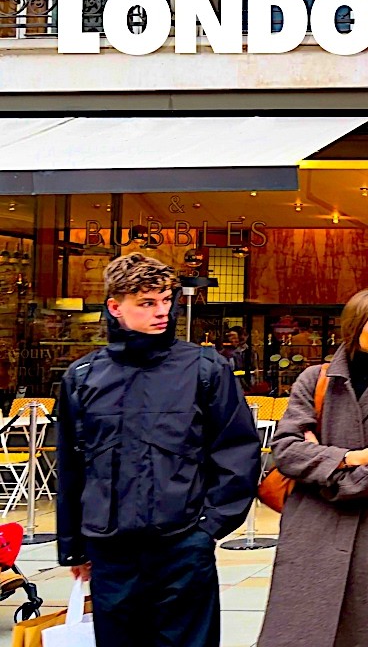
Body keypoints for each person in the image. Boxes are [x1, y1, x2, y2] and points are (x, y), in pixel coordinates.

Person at [56, 253, 261, 647]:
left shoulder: (205, 367)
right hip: (111, 549)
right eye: (147, 303)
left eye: (166, 300)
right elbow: (71, 466)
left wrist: (210, 527)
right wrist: (73, 546)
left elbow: (237, 451)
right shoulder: (82, 378)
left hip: (182, 545)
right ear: (115, 307)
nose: (161, 311)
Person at [259, 288, 368, 647]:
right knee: (300, 633)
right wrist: (347, 459)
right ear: (354, 327)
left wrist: (320, 470)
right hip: (312, 535)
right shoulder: (314, 380)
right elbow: (286, 451)